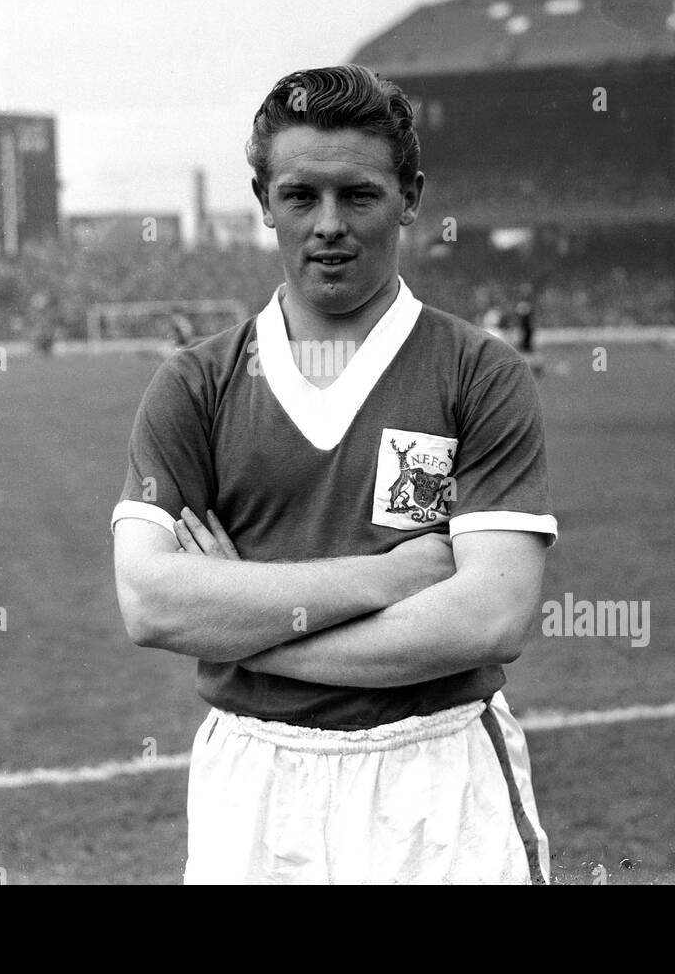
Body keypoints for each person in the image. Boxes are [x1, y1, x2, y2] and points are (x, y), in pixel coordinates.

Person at [110, 64, 558, 884]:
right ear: (262, 201)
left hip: (438, 781)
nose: (328, 226)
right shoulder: (195, 384)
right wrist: (387, 577)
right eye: (299, 197)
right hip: (255, 786)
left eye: (359, 195)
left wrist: (245, 630)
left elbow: (492, 617)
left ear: (411, 195)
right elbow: (150, 601)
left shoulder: (481, 373)